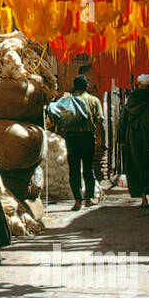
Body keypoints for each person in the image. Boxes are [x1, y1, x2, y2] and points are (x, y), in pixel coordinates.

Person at [48, 75, 104, 211]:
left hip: (72, 138)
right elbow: (99, 122)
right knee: (88, 169)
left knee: (74, 170)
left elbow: (58, 117)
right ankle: (89, 198)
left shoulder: (66, 100)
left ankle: (78, 200)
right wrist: (101, 139)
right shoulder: (93, 100)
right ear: (87, 86)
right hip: (87, 138)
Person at [118, 74, 149, 206]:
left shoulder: (130, 99)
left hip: (132, 136)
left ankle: (143, 195)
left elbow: (122, 119)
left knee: (137, 163)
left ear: (138, 85)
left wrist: (120, 138)